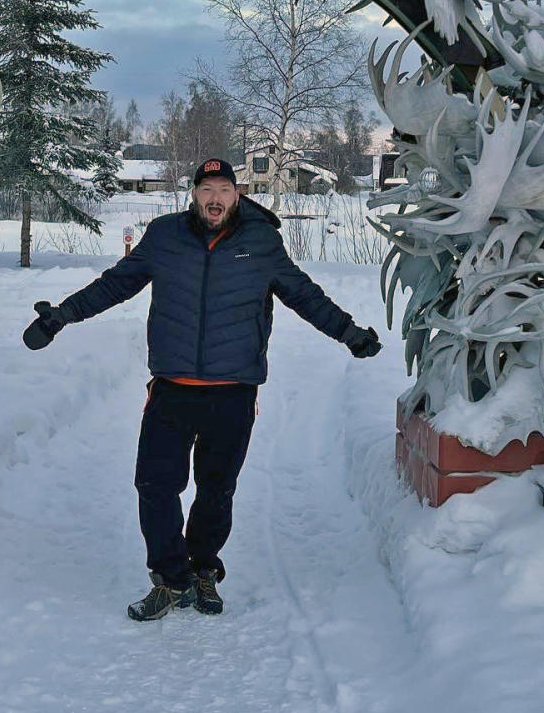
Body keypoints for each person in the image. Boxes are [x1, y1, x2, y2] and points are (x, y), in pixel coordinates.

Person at [23, 157, 382, 622]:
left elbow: (304, 294)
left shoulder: (262, 241)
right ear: (194, 194)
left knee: (216, 489)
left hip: (233, 390)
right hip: (172, 388)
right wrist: (61, 316)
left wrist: (348, 332)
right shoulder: (164, 236)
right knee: (154, 484)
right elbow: (116, 284)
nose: (215, 198)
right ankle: (171, 578)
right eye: (206, 188)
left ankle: (203, 568)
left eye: (224, 189)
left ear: (237, 194)